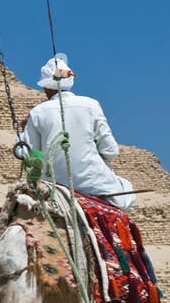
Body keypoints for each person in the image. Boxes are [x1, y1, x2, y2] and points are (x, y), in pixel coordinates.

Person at [20, 54, 135, 209]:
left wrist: (24, 129)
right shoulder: (91, 106)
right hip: (95, 185)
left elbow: (25, 153)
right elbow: (111, 151)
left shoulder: (37, 112)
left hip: (52, 187)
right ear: (70, 82)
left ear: (46, 86)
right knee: (126, 189)